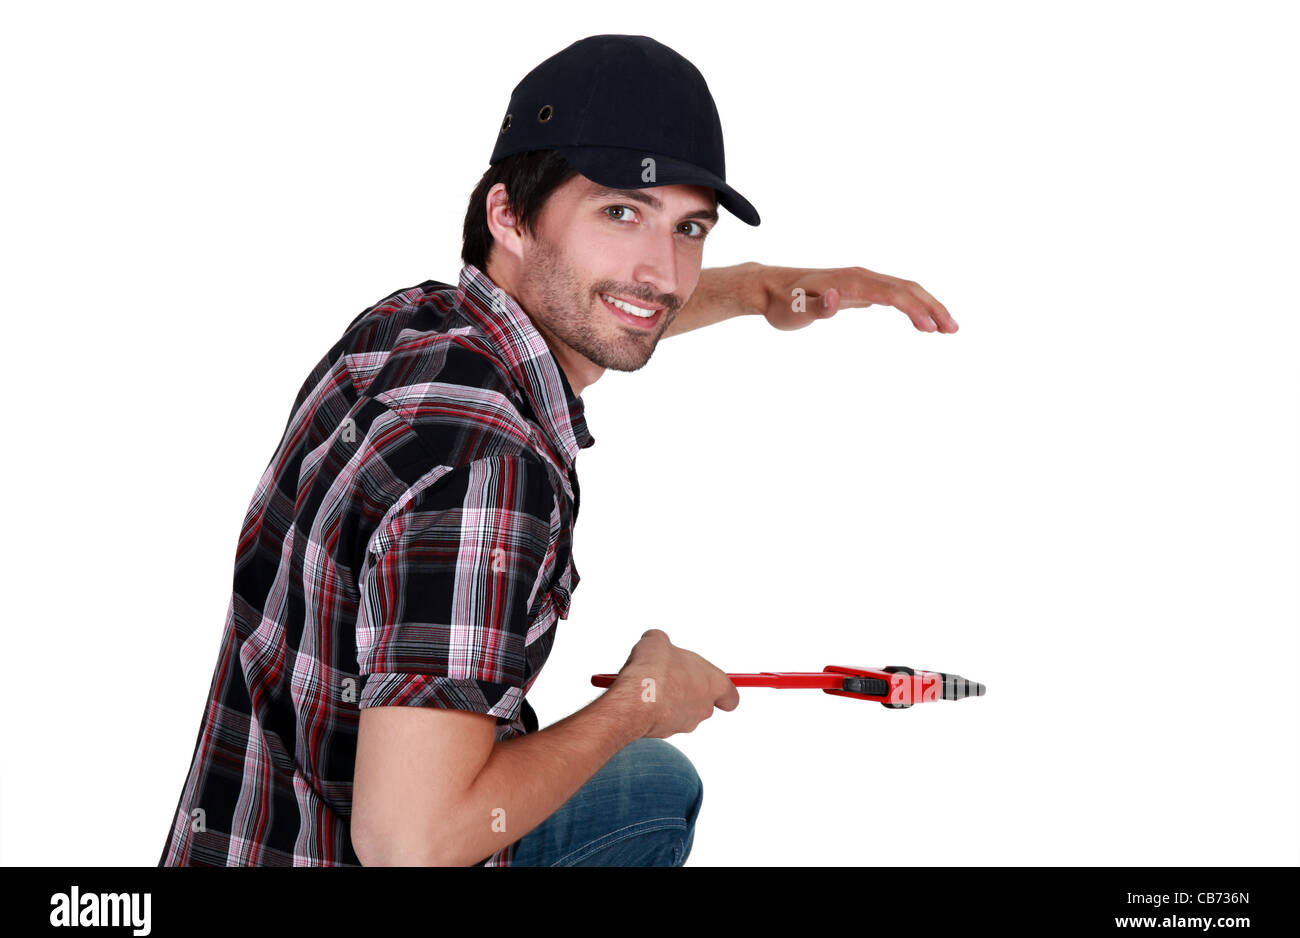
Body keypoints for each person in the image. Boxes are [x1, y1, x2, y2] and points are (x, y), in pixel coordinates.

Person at [158, 33, 956, 868]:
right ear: (508, 213)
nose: (661, 270)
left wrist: (763, 290)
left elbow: (607, 300)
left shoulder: (405, 328)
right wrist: (641, 700)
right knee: (645, 765)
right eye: (620, 212)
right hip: (365, 845)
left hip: (246, 832)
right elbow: (412, 844)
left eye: (689, 228)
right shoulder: (486, 470)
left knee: (652, 784)